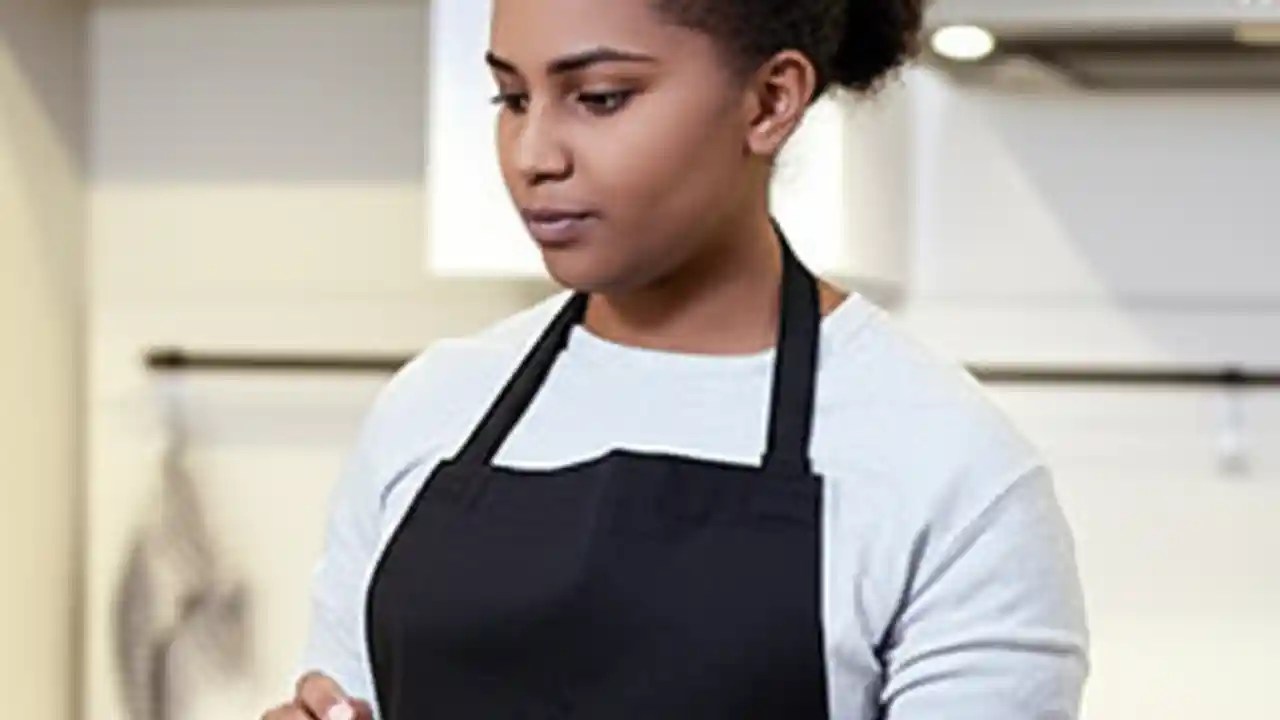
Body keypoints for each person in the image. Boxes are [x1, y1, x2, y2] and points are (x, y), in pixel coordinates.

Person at [262, 0, 1089, 718]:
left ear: (770, 101)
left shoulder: (951, 468)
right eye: (512, 98)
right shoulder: (434, 406)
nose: (532, 155)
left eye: (599, 98)